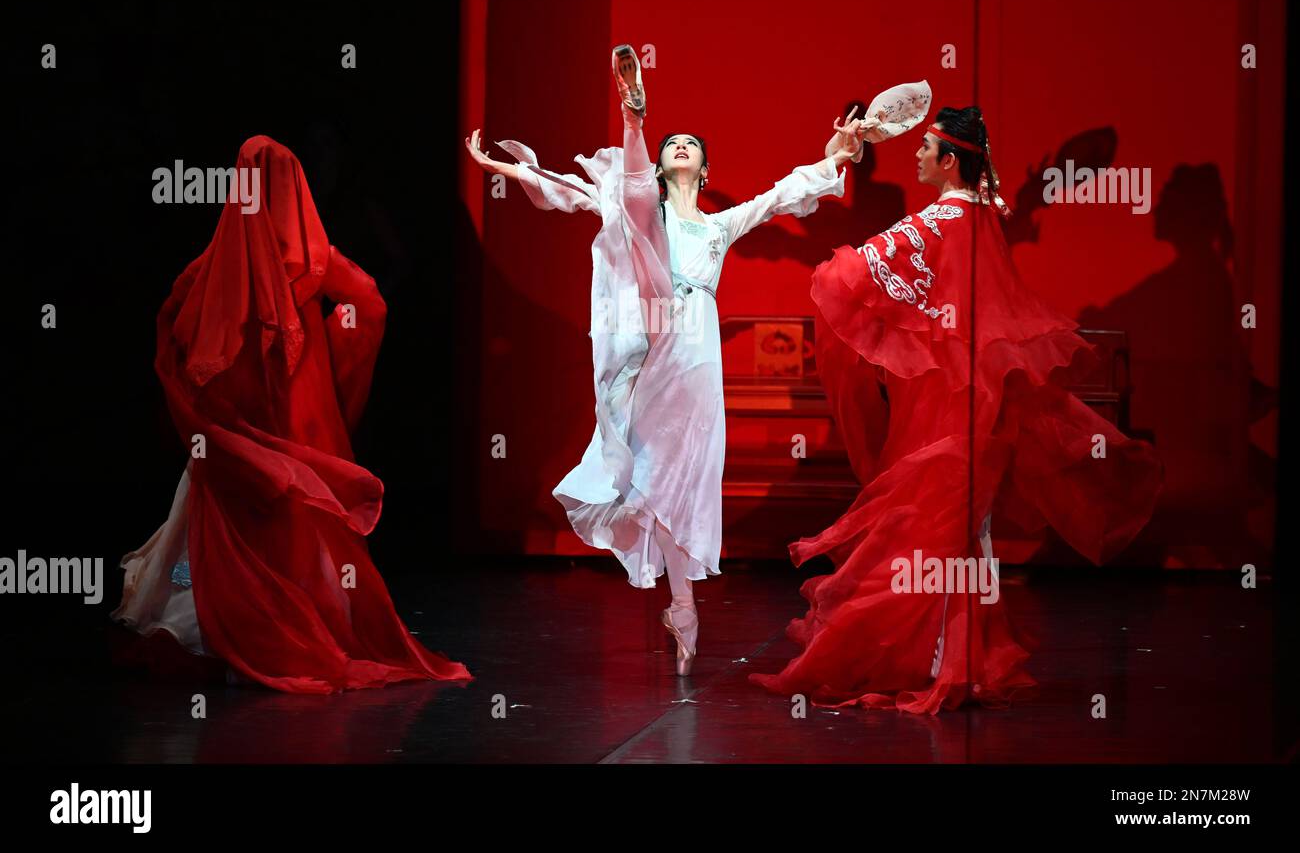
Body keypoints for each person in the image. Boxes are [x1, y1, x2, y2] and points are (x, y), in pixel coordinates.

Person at [749, 105, 1163, 713]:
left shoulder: (943, 218)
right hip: (976, 399)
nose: (915, 156)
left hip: (948, 409)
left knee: (933, 527)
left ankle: (941, 659)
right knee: (966, 531)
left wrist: (837, 276)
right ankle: (964, 659)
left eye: (924, 148)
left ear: (948, 162)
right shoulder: (980, 220)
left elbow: (852, 275)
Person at [465, 46, 865, 675]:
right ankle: (633, 115)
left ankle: (682, 604)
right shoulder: (639, 207)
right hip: (647, 338)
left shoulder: (719, 226)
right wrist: (508, 170)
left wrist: (837, 155)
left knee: (682, 480)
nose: (683, 148)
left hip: (695, 351)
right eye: (671, 142)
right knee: (645, 473)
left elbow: (784, 194)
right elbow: (571, 192)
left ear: (705, 169)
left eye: (690, 145)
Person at [112, 135, 472, 693]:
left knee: (222, 521)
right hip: (296, 425)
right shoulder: (314, 259)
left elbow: (173, 323)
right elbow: (370, 303)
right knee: (300, 520)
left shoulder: (214, 264)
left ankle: (206, 631)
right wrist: (332, 365)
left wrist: (200, 391)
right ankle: (292, 632)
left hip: (232, 430)